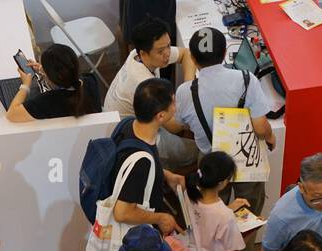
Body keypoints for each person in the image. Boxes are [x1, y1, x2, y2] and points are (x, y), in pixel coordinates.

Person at [173, 27, 277, 210]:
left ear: (194, 59)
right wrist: (270, 138)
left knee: (213, 211)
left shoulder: (184, 92)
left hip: (210, 161)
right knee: (249, 212)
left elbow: (182, 124)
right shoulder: (247, 79)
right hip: (246, 159)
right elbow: (260, 127)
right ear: (224, 53)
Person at [103, 15, 197, 170]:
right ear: (144, 53)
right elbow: (173, 126)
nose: (167, 53)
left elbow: (186, 54)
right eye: (161, 50)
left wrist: (188, 88)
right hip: (132, 136)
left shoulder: (138, 56)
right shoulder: (144, 83)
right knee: (196, 150)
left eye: (168, 46)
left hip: (134, 120)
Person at [108, 78, 187, 235]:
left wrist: (165, 175)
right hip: (140, 233)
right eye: (173, 103)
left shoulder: (128, 124)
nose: (175, 107)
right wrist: (160, 219)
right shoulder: (141, 161)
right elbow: (122, 212)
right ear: (160, 116)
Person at [5, 44, 99, 122]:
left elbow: (11, 114)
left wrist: (25, 85)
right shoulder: (90, 80)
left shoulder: (48, 101)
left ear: (51, 77)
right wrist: (44, 69)